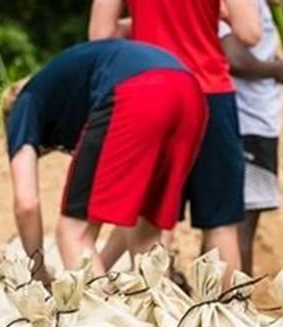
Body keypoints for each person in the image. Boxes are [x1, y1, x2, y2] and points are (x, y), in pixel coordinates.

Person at [1, 40, 207, 279]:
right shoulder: (70, 94)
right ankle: (160, 312)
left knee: (72, 232)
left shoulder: (23, 103)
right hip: (189, 92)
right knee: (146, 234)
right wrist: (102, 270)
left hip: (137, 91)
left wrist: (38, 275)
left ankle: (99, 315)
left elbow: (26, 204)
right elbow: (131, 215)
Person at [90, 0, 260, 282]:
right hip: (210, 93)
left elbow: (100, 36)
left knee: (152, 221)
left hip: (150, 90)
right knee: (221, 226)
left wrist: (143, 21)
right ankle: (229, 318)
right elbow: (250, 33)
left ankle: (155, 316)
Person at [220, 0, 283, 275]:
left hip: (256, 122)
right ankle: (236, 305)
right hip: (247, 122)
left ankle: (226, 302)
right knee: (238, 225)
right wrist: (277, 70)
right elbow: (234, 58)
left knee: (237, 223)